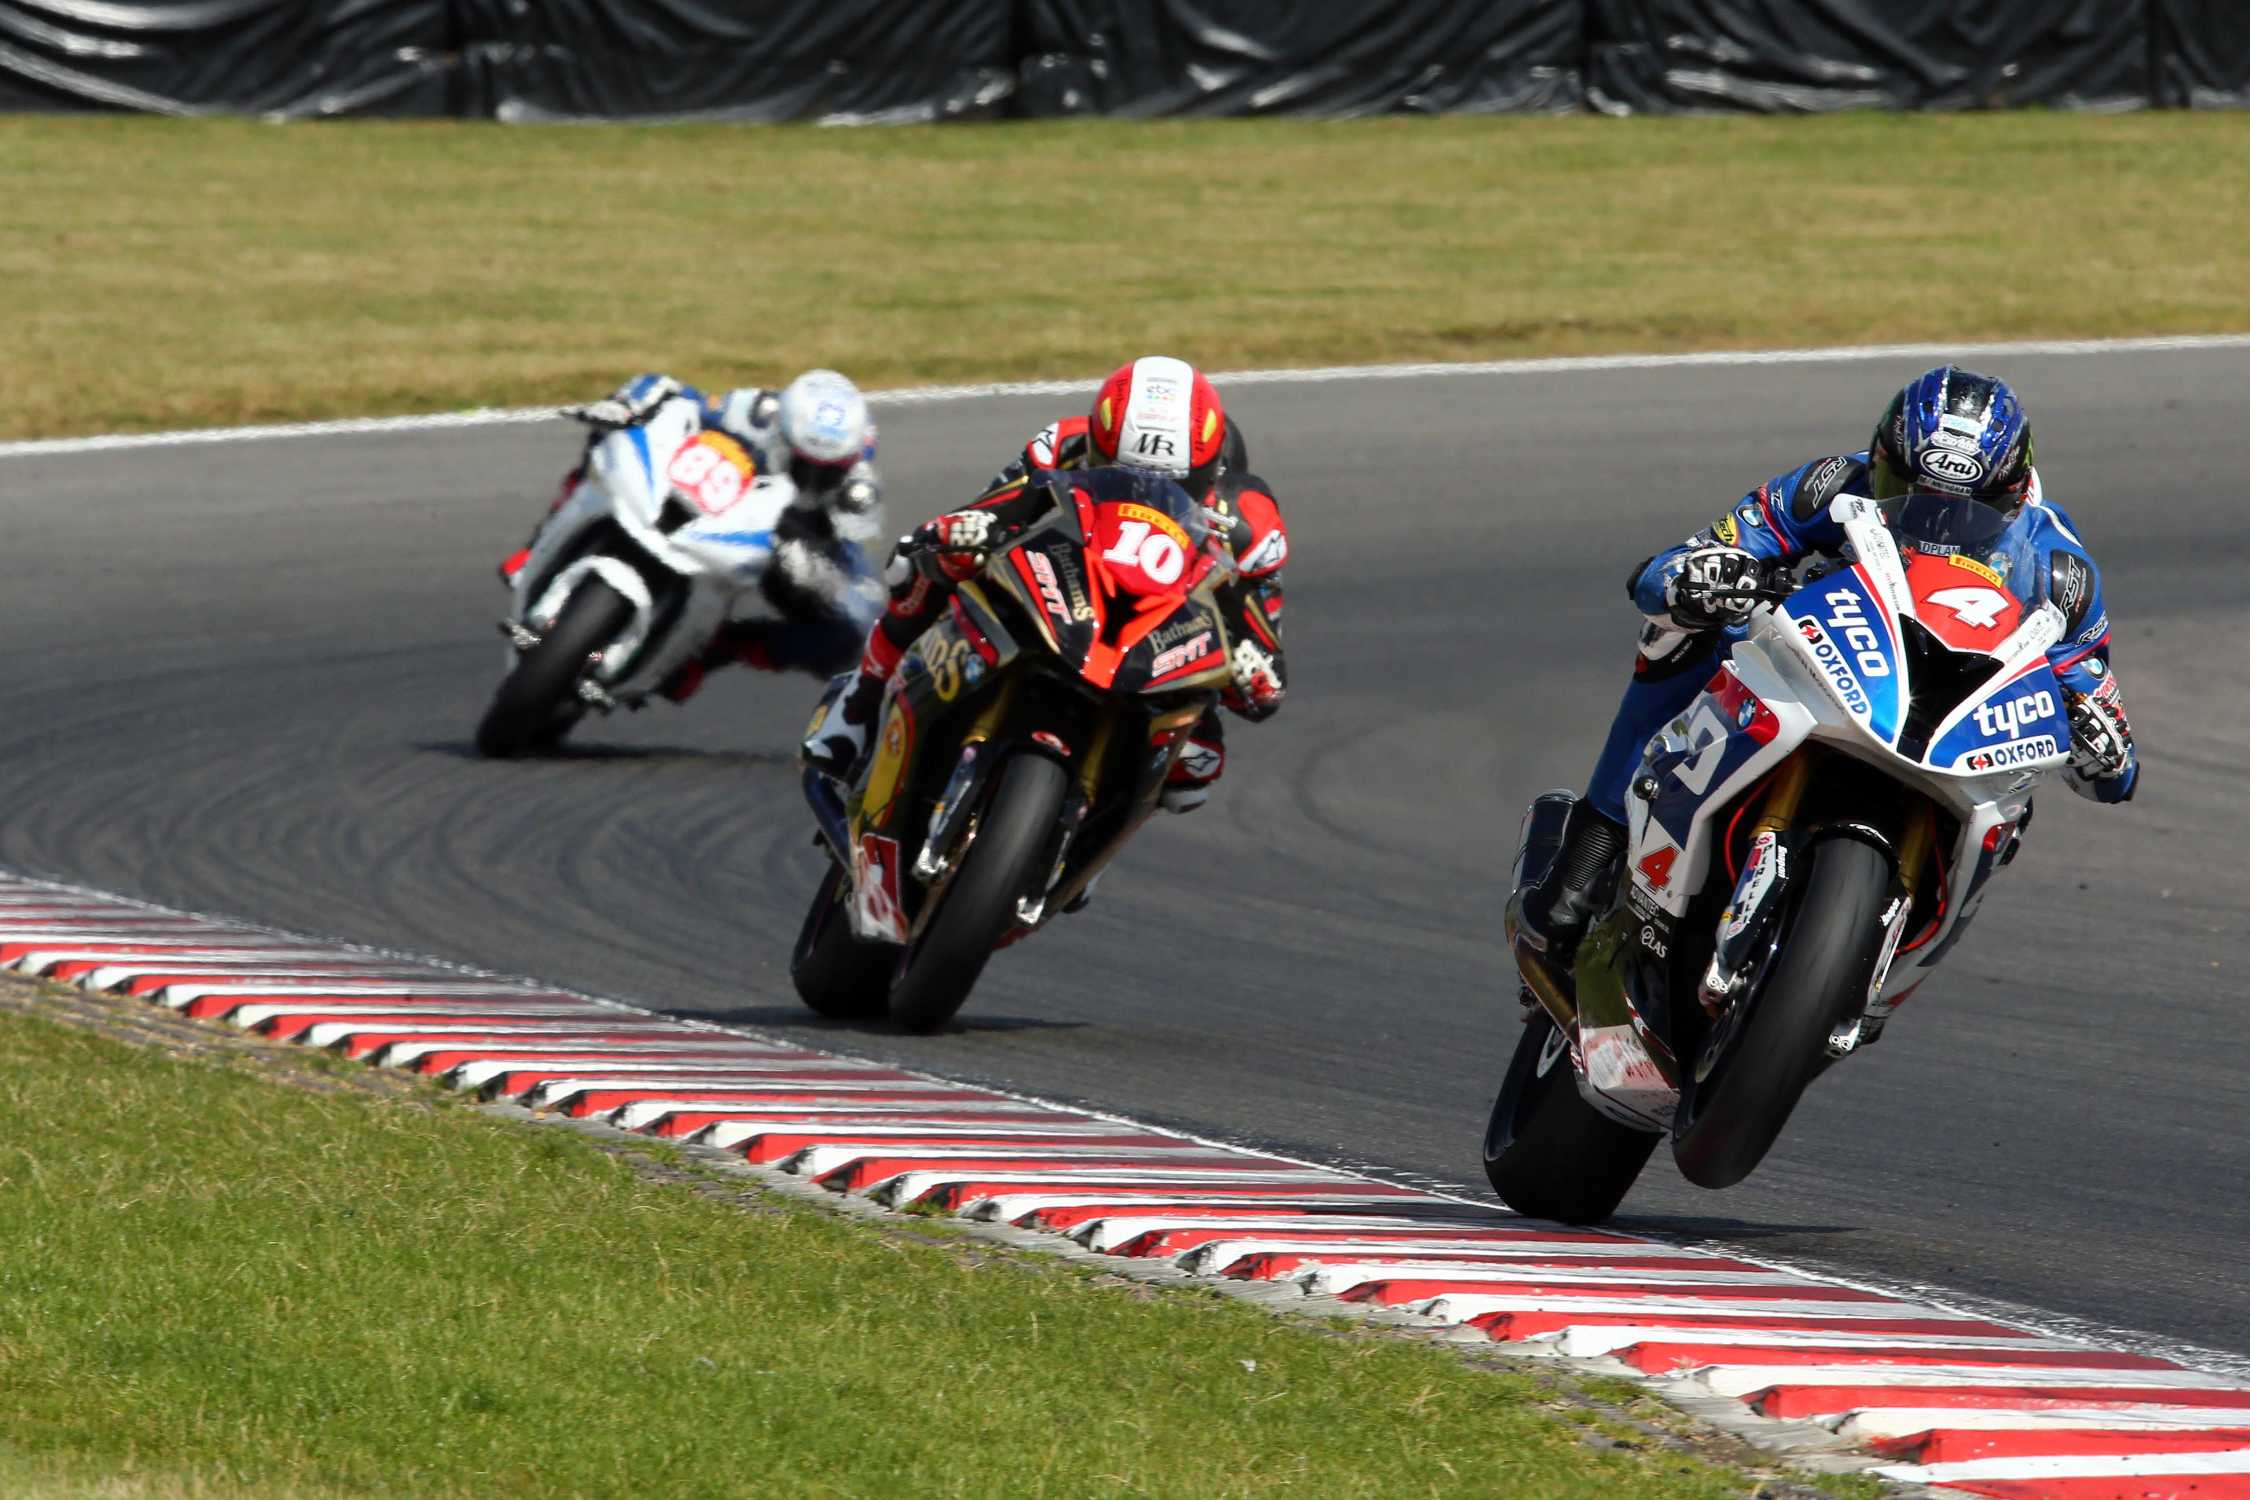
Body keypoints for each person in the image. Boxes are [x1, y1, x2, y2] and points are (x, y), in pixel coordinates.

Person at [1516, 365, 2139, 962]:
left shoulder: (2058, 566)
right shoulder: (1833, 484)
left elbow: (2105, 739)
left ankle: (1893, 956)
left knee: (2019, 796)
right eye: (1910, 495)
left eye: (1964, 511)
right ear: (1883, 461)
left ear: (2013, 494)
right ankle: (1594, 844)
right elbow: (1678, 565)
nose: (1935, 523)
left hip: (1954, 724)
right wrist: (1698, 576)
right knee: (1680, 628)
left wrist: (2100, 740)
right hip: (1817, 669)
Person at [803, 355, 1287, 814]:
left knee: (1195, 766)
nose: (1145, 490)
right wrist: (961, 532)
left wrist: (1252, 668)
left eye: (1167, 481)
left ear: (1208, 469)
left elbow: (1268, 656)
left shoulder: (1252, 524)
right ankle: (862, 700)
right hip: (1065, 588)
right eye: (1122, 470)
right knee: (924, 569)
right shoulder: (1061, 446)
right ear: (1098, 445)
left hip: (1163, 639)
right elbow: (989, 509)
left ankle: (1089, 833)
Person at [501, 370, 886, 699]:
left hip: (778, 545)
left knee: (847, 640)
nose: (811, 478)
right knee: (608, 433)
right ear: (781, 431)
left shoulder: (857, 496)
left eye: (825, 471)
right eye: (799, 461)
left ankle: (711, 653)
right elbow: (677, 395)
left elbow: (864, 594)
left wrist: (820, 575)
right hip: (712, 492)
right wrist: (629, 404)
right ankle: (536, 545)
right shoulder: (756, 411)